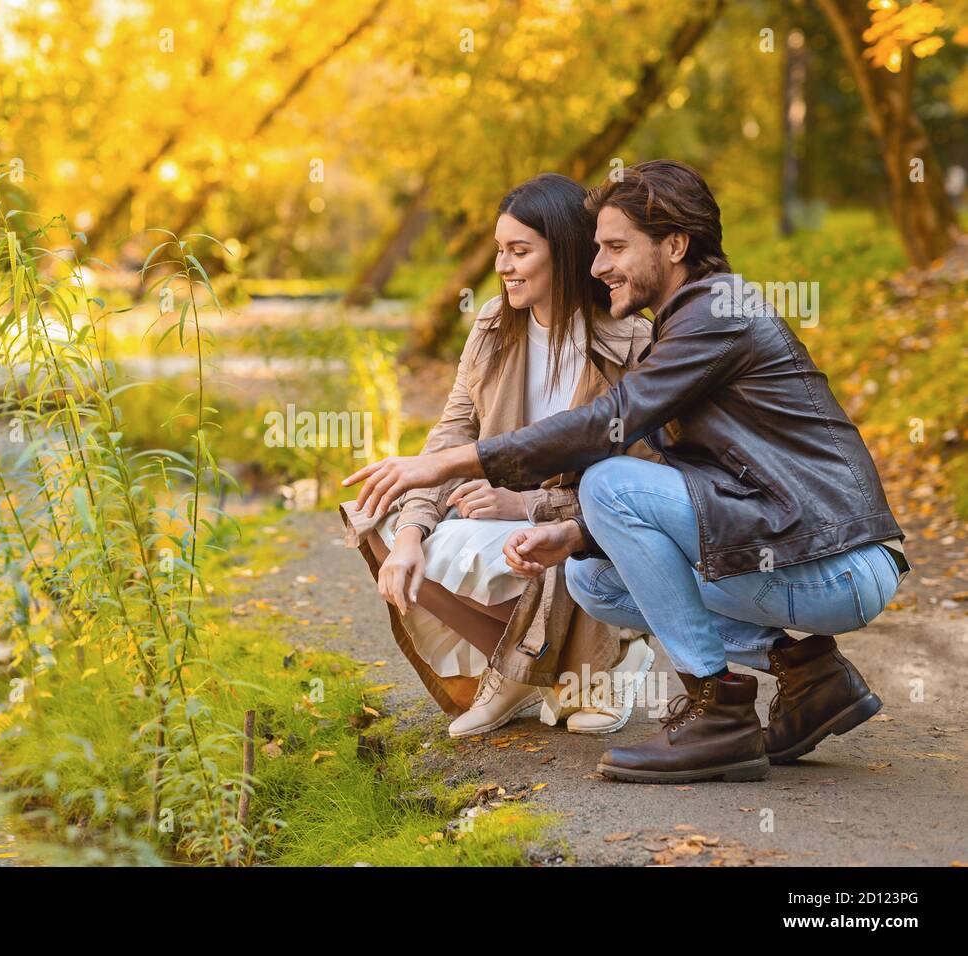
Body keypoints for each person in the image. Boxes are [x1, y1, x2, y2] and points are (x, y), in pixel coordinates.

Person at [343, 160, 908, 783]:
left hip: (839, 563)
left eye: (615, 247)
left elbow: (610, 424)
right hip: (789, 548)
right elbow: (685, 484)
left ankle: (715, 710)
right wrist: (575, 535)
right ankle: (810, 674)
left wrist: (457, 463)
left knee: (607, 483)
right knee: (593, 580)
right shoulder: (683, 321)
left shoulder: (717, 313)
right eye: (596, 248)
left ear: (674, 245)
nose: (598, 266)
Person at [340, 173, 656, 739]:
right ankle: (519, 674)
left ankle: (614, 659)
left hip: (584, 528)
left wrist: (526, 503)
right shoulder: (492, 325)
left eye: (519, 251)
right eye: (498, 251)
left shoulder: (631, 339)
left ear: (563, 252)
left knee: (549, 543)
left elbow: (645, 477)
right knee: (381, 521)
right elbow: (451, 435)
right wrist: (410, 535)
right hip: (499, 517)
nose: (504, 267)